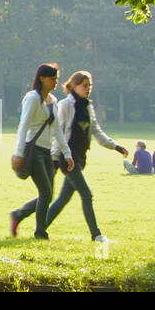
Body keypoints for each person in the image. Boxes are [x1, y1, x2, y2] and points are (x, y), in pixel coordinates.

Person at [42, 71, 127, 244]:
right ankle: (96, 235)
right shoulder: (66, 105)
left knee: (63, 199)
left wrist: (116, 147)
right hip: (67, 160)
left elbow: (96, 131)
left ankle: (40, 229)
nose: (88, 89)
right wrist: (55, 159)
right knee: (87, 195)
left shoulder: (88, 106)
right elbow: (57, 133)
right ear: (74, 86)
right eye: (84, 85)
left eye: (90, 86)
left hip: (80, 159)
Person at [9, 62, 74, 240]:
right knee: (46, 193)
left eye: (56, 79)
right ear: (42, 78)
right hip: (33, 150)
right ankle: (40, 232)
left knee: (47, 194)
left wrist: (67, 153)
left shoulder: (53, 102)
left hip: (46, 152)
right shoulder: (33, 98)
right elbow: (23, 125)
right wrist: (18, 152)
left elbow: (57, 130)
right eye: (52, 79)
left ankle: (19, 215)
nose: (55, 83)